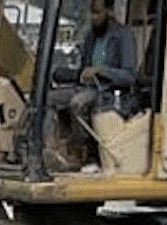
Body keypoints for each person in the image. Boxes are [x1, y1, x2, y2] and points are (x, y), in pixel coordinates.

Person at [58, 0, 137, 170]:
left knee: (78, 103)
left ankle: (89, 155)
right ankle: (55, 148)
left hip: (107, 91)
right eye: (91, 13)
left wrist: (101, 71)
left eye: (97, 13)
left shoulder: (124, 36)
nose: (92, 18)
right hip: (86, 86)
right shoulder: (91, 36)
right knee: (49, 98)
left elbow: (129, 76)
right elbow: (83, 68)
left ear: (109, 12)